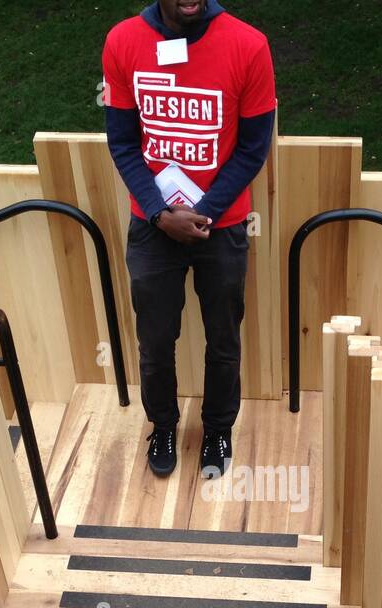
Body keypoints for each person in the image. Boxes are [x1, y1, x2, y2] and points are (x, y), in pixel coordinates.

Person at [102, 1, 277, 479]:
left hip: (219, 227)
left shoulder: (249, 45)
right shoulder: (122, 41)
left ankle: (218, 428)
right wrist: (160, 214)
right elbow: (122, 142)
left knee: (223, 337)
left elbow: (252, 147)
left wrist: (204, 212)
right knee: (155, 341)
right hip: (153, 228)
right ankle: (162, 424)